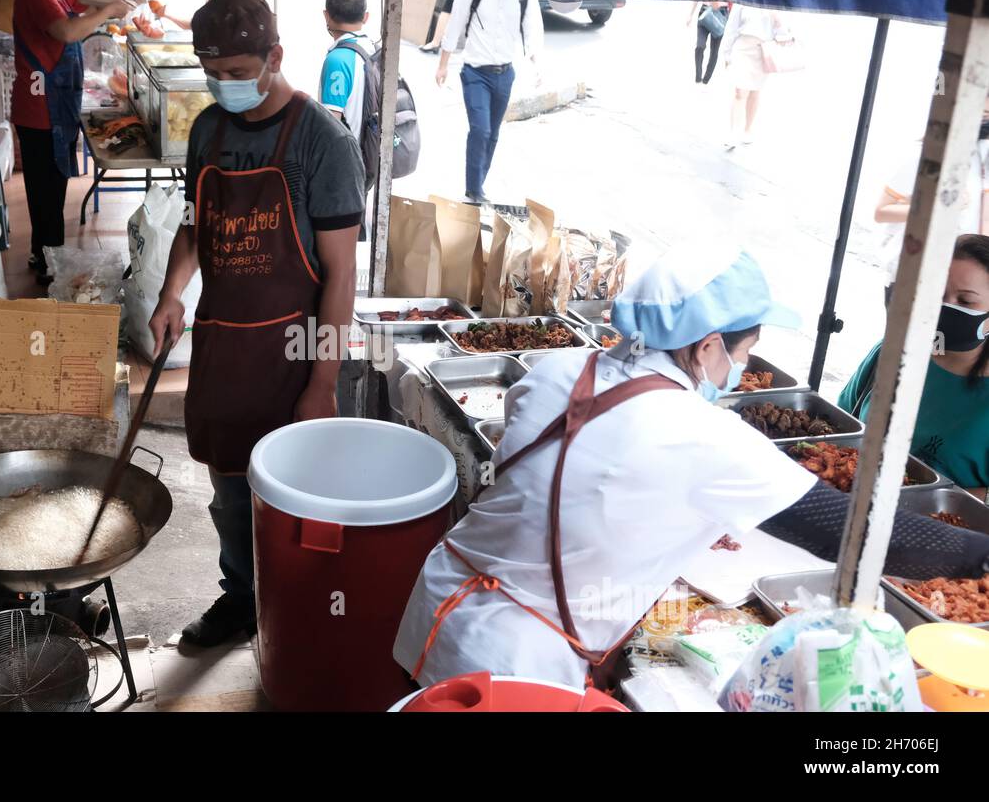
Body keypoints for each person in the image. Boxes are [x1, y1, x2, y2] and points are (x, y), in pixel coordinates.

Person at [393, 248, 989, 688]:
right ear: (707, 348)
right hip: (511, 660)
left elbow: (563, 476)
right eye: (744, 351)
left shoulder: (560, 369)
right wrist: (979, 555)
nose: (741, 365)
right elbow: (859, 533)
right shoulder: (698, 435)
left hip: (440, 597)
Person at [148, 0, 366, 647]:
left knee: (294, 501)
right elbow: (196, 222)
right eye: (215, 73)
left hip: (291, 355)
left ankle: (298, 613)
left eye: (240, 72)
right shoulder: (208, 129)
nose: (226, 85)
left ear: (275, 56)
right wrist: (171, 293)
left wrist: (321, 380)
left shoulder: (322, 141)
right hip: (223, 345)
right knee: (227, 493)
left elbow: (341, 274)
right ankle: (241, 598)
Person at [840, 235, 989, 500]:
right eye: (938, 294)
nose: (945, 307)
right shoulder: (893, 351)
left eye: (965, 301)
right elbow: (841, 424)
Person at [12, 0, 143, 283]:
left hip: (56, 105)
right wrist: (109, 10)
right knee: (46, 191)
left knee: (52, 190)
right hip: (40, 108)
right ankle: (50, 267)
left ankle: (42, 254)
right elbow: (68, 32)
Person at [435, 0, 543, 204]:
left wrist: (537, 66)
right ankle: (474, 189)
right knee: (480, 130)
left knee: (493, 134)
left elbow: (532, 32)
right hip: (475, 74)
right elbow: (454, 26)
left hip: (505, 74)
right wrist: (443, 65)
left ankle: (478, 185)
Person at [875, 102, 989, 303]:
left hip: (957, 283)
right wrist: (937, 208)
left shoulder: (981, 164)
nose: (984, 120)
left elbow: (983, 220)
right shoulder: (927, 157)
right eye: (982, 111)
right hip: (913, 274)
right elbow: (882, 211)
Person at [720, 4, 788, 149]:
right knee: (740, 91)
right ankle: (733, 133)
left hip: (763, 50)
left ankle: (748, 129)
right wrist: (727, 54)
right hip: (742, 48)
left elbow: (783, 35)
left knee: (755, 91)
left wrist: (777, 18)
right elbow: (731, 27)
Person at [318, 0, 374, 144]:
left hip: (351, 160)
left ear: (326, 16)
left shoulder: (338, 60)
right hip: (372, 153)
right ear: (365, 17)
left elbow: (331, 127)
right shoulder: (374, 49)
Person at [154, 0, 247, 30]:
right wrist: (167, 15)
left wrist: (167, 15)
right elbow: (194, 25)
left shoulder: (220, 13)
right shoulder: (252, 8)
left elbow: (193, 25)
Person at [687, 0, 729, 85]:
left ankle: (705, 81)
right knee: (700, 46)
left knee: (714, 51)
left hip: (721, 13)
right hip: (704, 12)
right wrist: (690, 15)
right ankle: (698, 78)